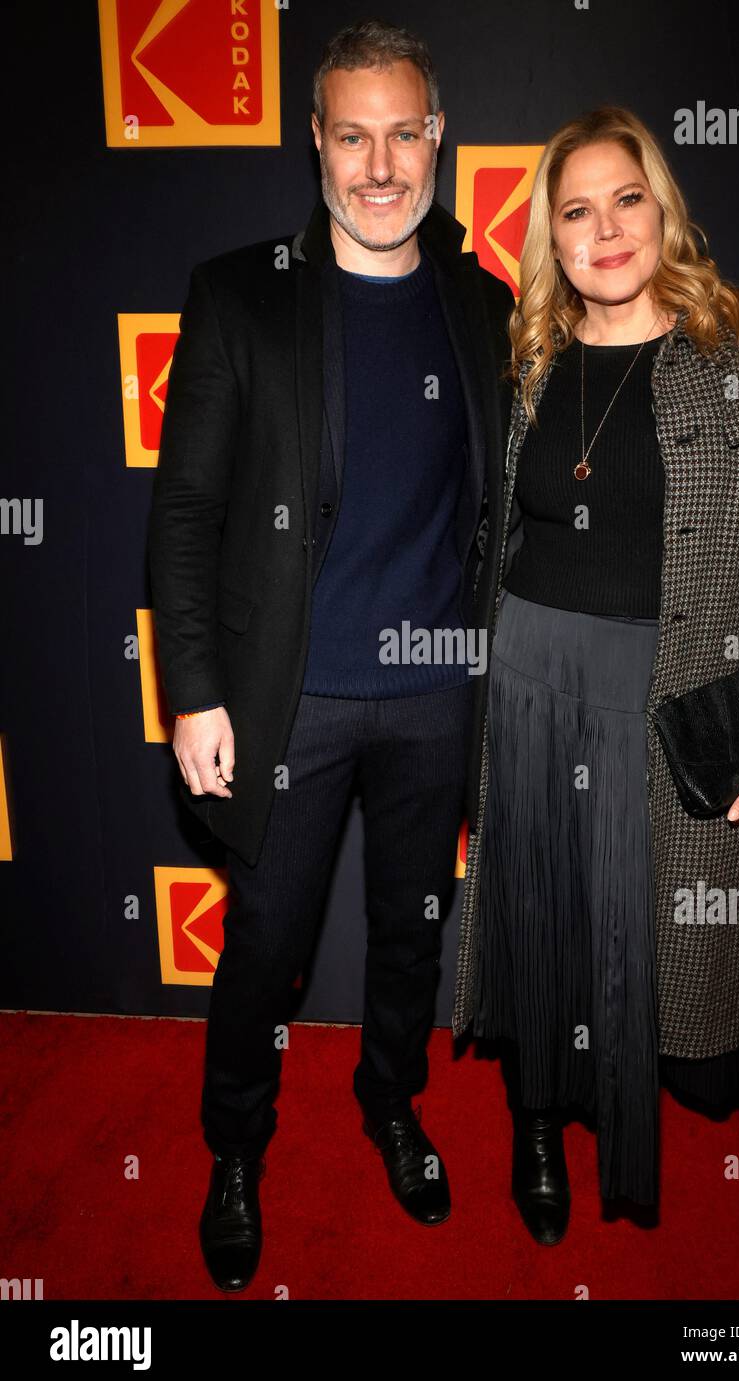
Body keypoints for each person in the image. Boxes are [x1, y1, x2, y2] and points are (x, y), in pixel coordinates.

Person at [453, 105, 739, 1247]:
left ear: (662, 205)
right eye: (575, 210)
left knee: (718, 941)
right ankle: (537, 1121)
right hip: (536, 684)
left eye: (624, 198)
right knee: (543, 925)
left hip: (684, 696)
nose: (605, 228)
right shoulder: (527, 357)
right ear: (550, 236)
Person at [147, 20, 513, 1291]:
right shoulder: (238, 291)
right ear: (314, 140)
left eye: (401, 131)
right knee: (264, 946)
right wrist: (190, 691)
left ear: (436, 139)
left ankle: (392, 1105)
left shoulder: (481, 303)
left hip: (433, 699)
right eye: (349, 134)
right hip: (283, 703)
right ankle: (235, 1148)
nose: (376, 163)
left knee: (414, 934)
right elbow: (185, 511)